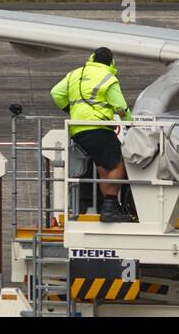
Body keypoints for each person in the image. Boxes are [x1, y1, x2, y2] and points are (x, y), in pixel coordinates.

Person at [50, 47, 133, 223]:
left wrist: (70, 110)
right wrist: (130, 123)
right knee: (119, 164)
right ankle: (110, 207)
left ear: (92, 58)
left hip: (78, 129)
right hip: (98, 127)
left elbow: (56, 93)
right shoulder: (108, 78)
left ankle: (110, 207)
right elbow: (120, 106)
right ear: (111, 63)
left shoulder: (75, 74)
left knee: (104, 167)